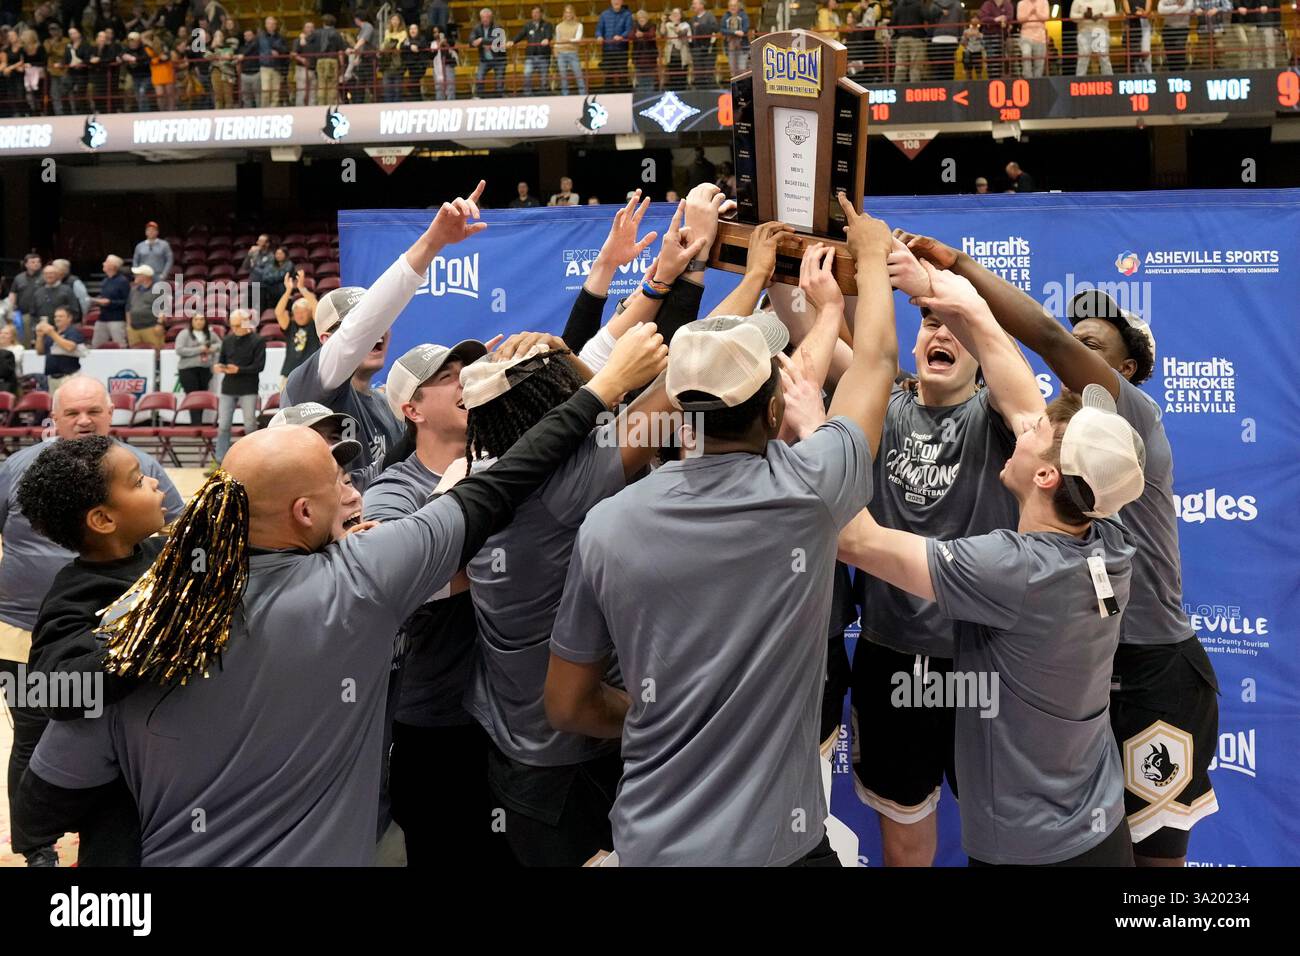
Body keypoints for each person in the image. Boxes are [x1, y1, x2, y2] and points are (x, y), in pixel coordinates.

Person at [15, 326, 667, 866]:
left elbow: (44, 801)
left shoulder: (146, 623)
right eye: (337, 480)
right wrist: (602, 391)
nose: (357, 489)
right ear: (303, 511)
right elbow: (497, 490)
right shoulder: (365, 576)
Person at [543, 196, 896, 867]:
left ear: (679, 417)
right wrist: (870, 260)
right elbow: (875, 361)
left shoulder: (606, 525)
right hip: (782, 848)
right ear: (774, 409)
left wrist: (657, 718)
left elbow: (566, 703)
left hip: (653, 843)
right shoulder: (811, 491)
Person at [910, 228, 1219, 865]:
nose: (1067, 358)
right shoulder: (1062, 437)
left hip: (1150, 668)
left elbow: (1044, 337)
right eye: (1075, 343)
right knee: (1092, 839)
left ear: (1121, 371)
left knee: (1155, 859)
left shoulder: (1128, 423)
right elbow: (1015, 371)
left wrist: (962, 268)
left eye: (1092, 348)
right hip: (1082, 672)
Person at [456, 193, 707, 867]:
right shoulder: (563, 490)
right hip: (578, 767)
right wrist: (726, 274)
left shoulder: (471, 479)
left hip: (520, 760)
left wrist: (662, 277)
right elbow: (675, 389)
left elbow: (591, 366)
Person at [838, 315, 1143, 866]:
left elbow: (854, 540)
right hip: (1099, 833)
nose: (1027, 426)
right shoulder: (1113, 540)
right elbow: (1028, 408)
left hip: (1028, 852)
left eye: (1038, 433)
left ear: (1049, 476)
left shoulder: (1007, 568)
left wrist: (821, 435)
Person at [0, 376, 182, 867]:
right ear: (53, 420)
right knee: (34, 741)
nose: (83, 421)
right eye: (72, 413)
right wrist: (152, 637)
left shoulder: (140, 485)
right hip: (18, 636)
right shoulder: (17, 471)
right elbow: (68, 692)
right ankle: (35, 844)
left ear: (110, 414)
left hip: (152, 771)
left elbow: (187, 532)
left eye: (94, 411)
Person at [364, 339, 523, 867]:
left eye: (469, 370)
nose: (464, 380)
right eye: (448, 375)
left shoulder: (507, 461)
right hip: (440, 724)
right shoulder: (393, 490)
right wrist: (518, 566)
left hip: (515, 716)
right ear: (411, 409)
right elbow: (398, 577)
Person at [284, 181, 490, 492]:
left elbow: (391, 470)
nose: (376, 332)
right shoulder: (309, 388)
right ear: (327, 340)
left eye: (385, 323)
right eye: (367, 324)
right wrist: (432, 243)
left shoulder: (383, 405)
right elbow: (361, 328)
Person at [214, 307, 265, 462]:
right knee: (223, 426)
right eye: (232, 326)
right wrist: (219, 366)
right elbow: (222, 360)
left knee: (250, 424)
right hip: (228, 387)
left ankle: (253, 459)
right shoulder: (227, 340)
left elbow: (259, 366)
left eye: (237, 325)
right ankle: (220, 460)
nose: (234, 329)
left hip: (248, 387)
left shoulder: (258, 340)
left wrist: (239, 370)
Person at [275, 270, 320, 389]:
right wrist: (288, 291)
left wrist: (301, 288)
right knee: (286, 407)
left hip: (311, 374)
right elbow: (278, 312)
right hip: (289, 373)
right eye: (296, 312)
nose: (299, 315)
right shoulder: (291, 327)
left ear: (310, 313)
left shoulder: (315, 324)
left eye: (303, 312)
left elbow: (316, 306)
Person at [33, 305, 85, 392]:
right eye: (55, 316)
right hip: (52, 378)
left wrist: (52, 333)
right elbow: (40, 352)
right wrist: (39, 336)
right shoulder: (51, 334)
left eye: (61, 316)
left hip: (69, 377)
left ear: (69, 318)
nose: (57, 319)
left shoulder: (72, 332)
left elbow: (70, 347)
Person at [510, 6, 553, 95]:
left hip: (543, 55)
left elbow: (549, 35)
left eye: (537, 13)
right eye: (533, 13)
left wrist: (547, 39)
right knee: (527, 74)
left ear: (541, 14)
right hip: (530, 56)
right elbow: (520, 35)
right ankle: (527, 94)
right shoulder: (528, 25)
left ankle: (544, 95)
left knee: (544, 77)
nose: (535, 15)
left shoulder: (547, 25)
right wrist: (513, 41)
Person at [174, 312, 216, 396]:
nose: (199, 322)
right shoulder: (184, 334)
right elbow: (179, 350)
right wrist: (199, 350)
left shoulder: (210, 334)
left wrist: (212, 348)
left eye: (201, 319)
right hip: (188, 370)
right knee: (193, 397)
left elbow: (221, 344)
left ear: (205, 321)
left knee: (202, 398)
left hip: (205, 369)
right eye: (196, 319)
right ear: (191, 321)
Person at [922, 0, 963, 81]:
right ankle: (949, 88)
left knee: (937, 67)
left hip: (937, 38)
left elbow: (930, 21)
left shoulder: (934, 4)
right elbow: (961, 23)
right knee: (949, 65)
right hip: (952, 38)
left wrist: (930, 37)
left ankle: (939, 87)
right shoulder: (958, 5)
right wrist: (958, 38)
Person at [469, 7, 506, 97]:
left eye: (487, 17)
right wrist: (474, 41)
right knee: (479, 77)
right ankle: (480, 97)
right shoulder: (477, 28)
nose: (485, 19)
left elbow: (498, 40)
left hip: (499, 59)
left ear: (491, 18)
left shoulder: (497, 27)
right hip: (484, 59)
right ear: (480, 18)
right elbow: (471, 39)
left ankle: (499, 98)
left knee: (499, 81)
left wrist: (482, 40)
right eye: (483, 18)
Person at [596, 0, 632, 91]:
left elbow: (629, 30)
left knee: (623, 75)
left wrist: (621, 36)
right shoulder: (604, 14)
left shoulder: (627, 15)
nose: (616, 1)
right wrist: (599, 36)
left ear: (622, 2)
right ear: (611, 1)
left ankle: (624, 98)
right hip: (607, 50)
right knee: (608, 75)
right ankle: (608, 98)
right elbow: (599, 29)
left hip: (621, 50)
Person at [31, 264, 80, 329]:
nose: (48, 276)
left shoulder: (67, 290)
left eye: (51, 273)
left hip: (63, 332)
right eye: (46, 273)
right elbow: (33, 313)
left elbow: (75, 312)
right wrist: (36, 326)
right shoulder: (38, 292)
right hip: (43, 331)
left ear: (58, 275)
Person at [1072, 0, 1116, 74]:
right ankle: (1079, 82)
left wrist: (1102, 15)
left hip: (1101, 31)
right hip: (1084, 32)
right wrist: (1083, 16)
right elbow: (1072, 16)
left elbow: (1112, 13)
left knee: (1104, 58)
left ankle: (1109, 80)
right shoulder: (1077, 1)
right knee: (1083, 59)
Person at [126, 264, 163, 349]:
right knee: (135, 354)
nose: (135, 276)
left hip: (151, 327)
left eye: (138, 274)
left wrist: (160, 324)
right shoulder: (133, 290)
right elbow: (128, 309)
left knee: (155, 353)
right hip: (133, 328)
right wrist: (128, 326)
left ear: (146, 276)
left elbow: (163, 309)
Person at [314, 13, 347, 105]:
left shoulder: (317, 33)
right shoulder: (336, 34)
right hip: (332, 60)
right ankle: (331, 105)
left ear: (323, 23)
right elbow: (340, 51)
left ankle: (321, 104)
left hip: (320, 61)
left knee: (321, 84)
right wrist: (342, 65)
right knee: (332, 85)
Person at [891, 0, 928, 81]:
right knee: (915, 67)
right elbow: (927, 16)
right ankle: (913, 90)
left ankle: (897, 89)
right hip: (916, 38)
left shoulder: (898, 6)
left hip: (901, 38)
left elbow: (893, 22)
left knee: (900, 67)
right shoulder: (918, 5)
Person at [553, 4, 585, 95]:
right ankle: (565, 96)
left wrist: (568, 40)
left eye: (570, 12)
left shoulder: (579, 25)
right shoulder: (558, 26)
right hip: (561, 54)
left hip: (573, 53)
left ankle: (582, 95)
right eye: (566, 12)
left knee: (578, 75)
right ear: (564, 13)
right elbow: (557, 41)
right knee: (563, 77)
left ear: (573, 13)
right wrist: (555, 49)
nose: (568, 14)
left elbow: (578, 39)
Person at [256, 15, 287, 106]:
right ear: (265, 25)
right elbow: (254, 49)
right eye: (269, 23)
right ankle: (264, 112)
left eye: (273, 24)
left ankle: (274, 111)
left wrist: (279, 51)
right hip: (265, 66)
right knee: (265, 91)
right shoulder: (260, 37)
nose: (271, 25)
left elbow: (286, 51)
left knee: (275, 92)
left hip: (277, 67)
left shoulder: (280, 37)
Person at [977, 0, 1014, 77]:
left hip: (1003, 36)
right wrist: (996, 19)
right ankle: (993, 78)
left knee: (1001, 59)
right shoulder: (987, 4)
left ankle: (998, 78)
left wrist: (1004, 18)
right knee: (991, 59)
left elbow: (1010, 17)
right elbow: (983, 18)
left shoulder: (1008, 5)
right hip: (989, 36)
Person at [687, 0, 717, 87]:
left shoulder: (709, 16)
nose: (693, 6)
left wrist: (700, 26)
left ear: (702, 5)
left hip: (708, 50)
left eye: (695, 4)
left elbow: (715, 28)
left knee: (708, 73)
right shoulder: (692, 19)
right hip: (696, 50)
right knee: (698, 73)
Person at [660, 7, 691, 89]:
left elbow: (680, 33)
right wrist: (663, 22)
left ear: (680, 16)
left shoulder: (685, 25)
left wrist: (674, 23)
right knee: (672, 77)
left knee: (682, 77)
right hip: (671, 55)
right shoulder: (668, 25)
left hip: (682, 55)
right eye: (673, 13)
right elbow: (662, 33)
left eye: (676, 14)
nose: (674, 15)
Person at [1018, 0, 1049, 76]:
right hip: (1026, 35)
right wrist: (1030, 12)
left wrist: (1037, 12)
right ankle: (1028, 79)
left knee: (1039, 62)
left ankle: (1037, 82)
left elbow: (1046, 17)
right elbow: (1020, 18)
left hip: (1040, 36)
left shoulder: (1044, 2)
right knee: (1026, 55)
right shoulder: (1021, 3)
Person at [630, 8, 657, 91]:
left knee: (649, 81)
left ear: (646, 18)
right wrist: (636, 35)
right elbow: (630, 36)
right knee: (640, 81)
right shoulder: (634, 27)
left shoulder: (652, 25)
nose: (641, 19)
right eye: (639, 18)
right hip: (638, 59)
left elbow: (652, 34)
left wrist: (642, 34)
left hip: (650, 58)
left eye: (643, 17)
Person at [292, 19, 317, 106]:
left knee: (313, 93)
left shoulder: (316, 41)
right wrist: (302, 60)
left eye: (311, 27)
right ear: (304, 29)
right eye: (308, 27)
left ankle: (312, 111)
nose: (310, 29)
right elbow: (294, 54)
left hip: (314, 69)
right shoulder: (298, 40)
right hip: (302, 69)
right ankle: (299, 110)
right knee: (301, 92)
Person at [722, 0, 750, 74]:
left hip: (743, 47)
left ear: (738, 6)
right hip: (730, 48)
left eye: (734, 5)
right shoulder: (726, 16)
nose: (732, 7)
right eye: (731, 6)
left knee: (742, 68)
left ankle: (743, 85)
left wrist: (741, 32)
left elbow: (746, 28)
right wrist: (735, 32)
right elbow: (722, 29)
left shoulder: (743, 15)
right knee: (733, 69)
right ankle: (735, 85)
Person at [960, 13, 987, 78]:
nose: (975, 19)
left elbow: (984, 44)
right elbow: (962, 43)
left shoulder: (982, 31)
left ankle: (979, 86)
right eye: (973, 18)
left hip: (978, 52)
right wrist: (966, 37)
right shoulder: (966, 31)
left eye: (976, 18)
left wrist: (979, 36)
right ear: (970, 20)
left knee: (979, 73)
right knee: (968, 74)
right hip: (969, 52)